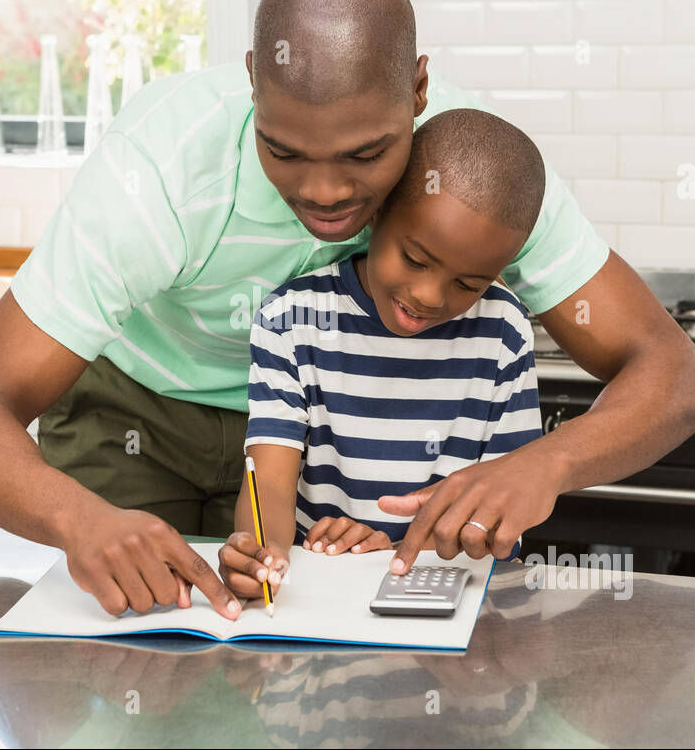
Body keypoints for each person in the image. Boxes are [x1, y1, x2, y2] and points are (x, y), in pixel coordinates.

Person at [0, 0, 695, 620]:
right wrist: (81, 521)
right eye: (285, 151)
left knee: (312, 662)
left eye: (366, 154)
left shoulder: (476, 171)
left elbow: (673, 375)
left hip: (335, 438)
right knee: (141, 661)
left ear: (417, 92)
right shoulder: (158, 171)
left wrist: (545, 464)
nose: (327, 191)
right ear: (249, 89)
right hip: (140, 416)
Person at [218, 108, 544, 598]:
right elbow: (269, 481)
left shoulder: (505, 332)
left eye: (469, 283)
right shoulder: (291, 318)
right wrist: (263, 552)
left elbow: (500, 520)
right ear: (377, 214)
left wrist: (391, 553)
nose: (431, 296)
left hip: (447, 604)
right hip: (321, 597)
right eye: (415, 259)